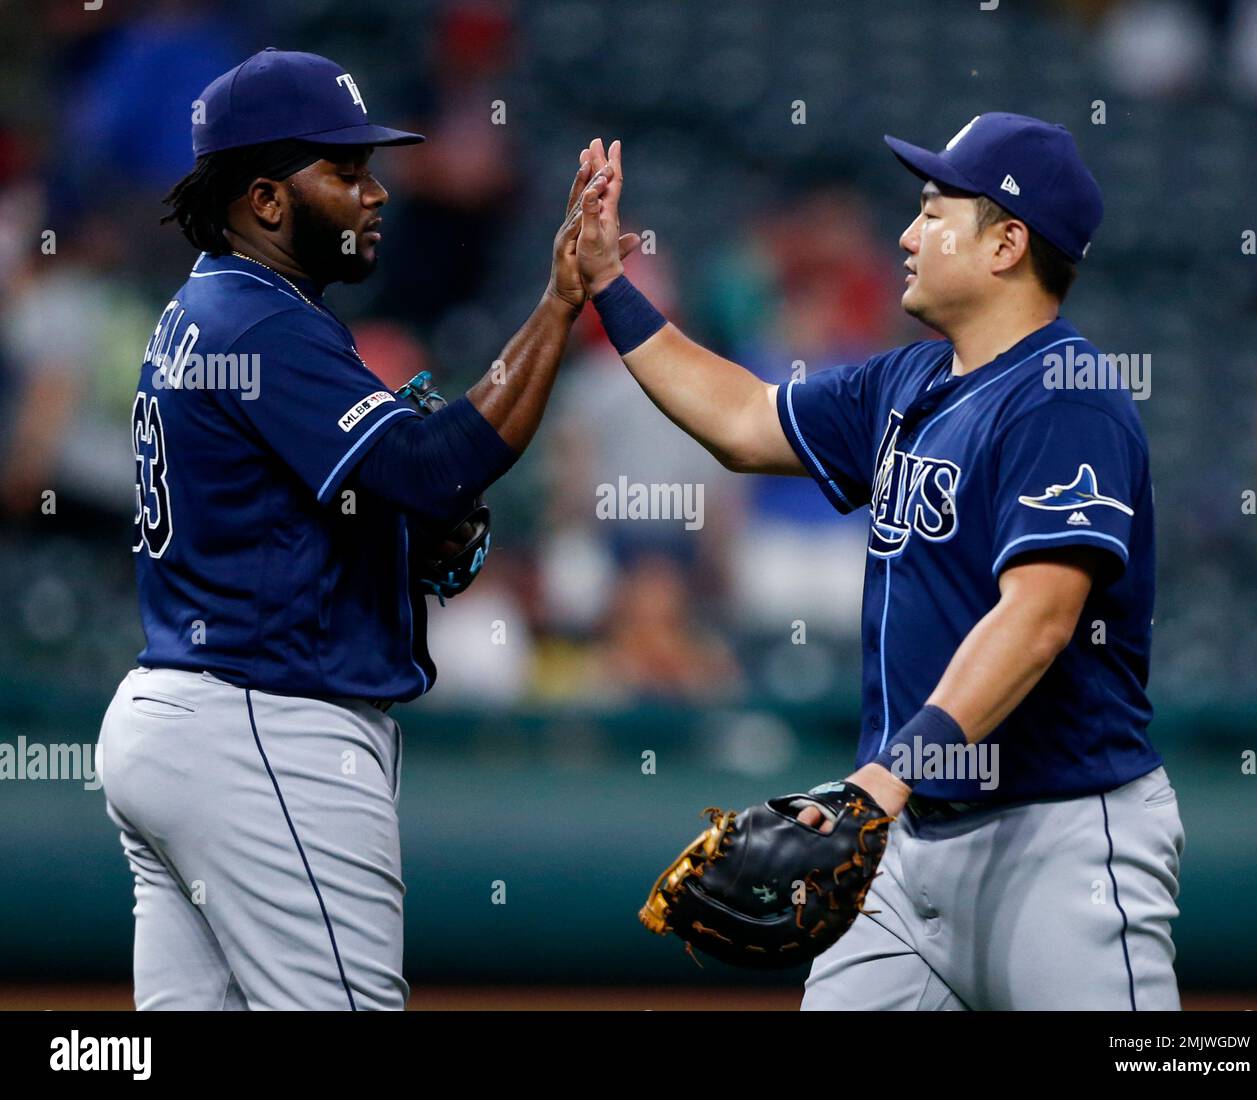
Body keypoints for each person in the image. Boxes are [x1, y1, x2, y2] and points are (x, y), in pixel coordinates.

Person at [575, 117, 1184, 1010]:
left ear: (1008, 243)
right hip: (906, 849)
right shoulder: (906, 382)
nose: (906, 234)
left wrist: (881, 783)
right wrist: (609, 287)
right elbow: (745, 421)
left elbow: (1040, 617)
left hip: (1060, 840)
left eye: (935, 212)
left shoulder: (1067, 395)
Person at [96, 48, 627, 1010]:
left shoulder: (211, 309)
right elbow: (431, 472)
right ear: (264, 199)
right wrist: (560, 302)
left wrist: (385, 536)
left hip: (180, 713)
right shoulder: (259, 324)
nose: (375, 193)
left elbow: (313, 505)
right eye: (344, 173)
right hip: (266, 726)